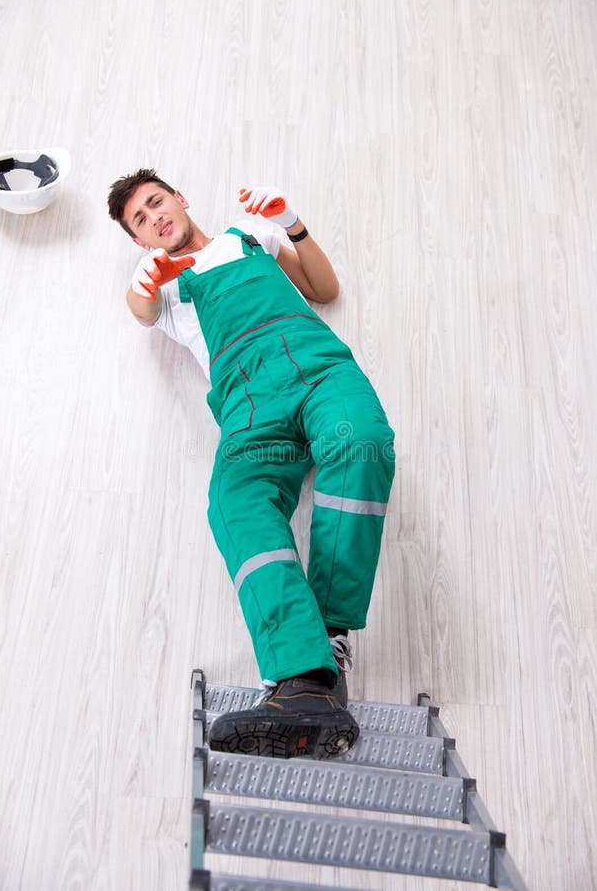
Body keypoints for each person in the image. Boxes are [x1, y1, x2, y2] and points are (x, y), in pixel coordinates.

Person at [107, 170, 395, 759]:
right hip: (249, 406)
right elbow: (139, 310)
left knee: (363, 443)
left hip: (318, 368)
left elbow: (325, 288)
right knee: (233, 503)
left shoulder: (246, 236)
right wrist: (144, 282)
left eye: (156, 203)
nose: (155, 217)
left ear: (179, 198)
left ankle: (327, 640)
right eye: (140, 220)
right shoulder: (163, 291)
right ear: (139, 242)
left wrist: (292, 223)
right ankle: (304, 678)